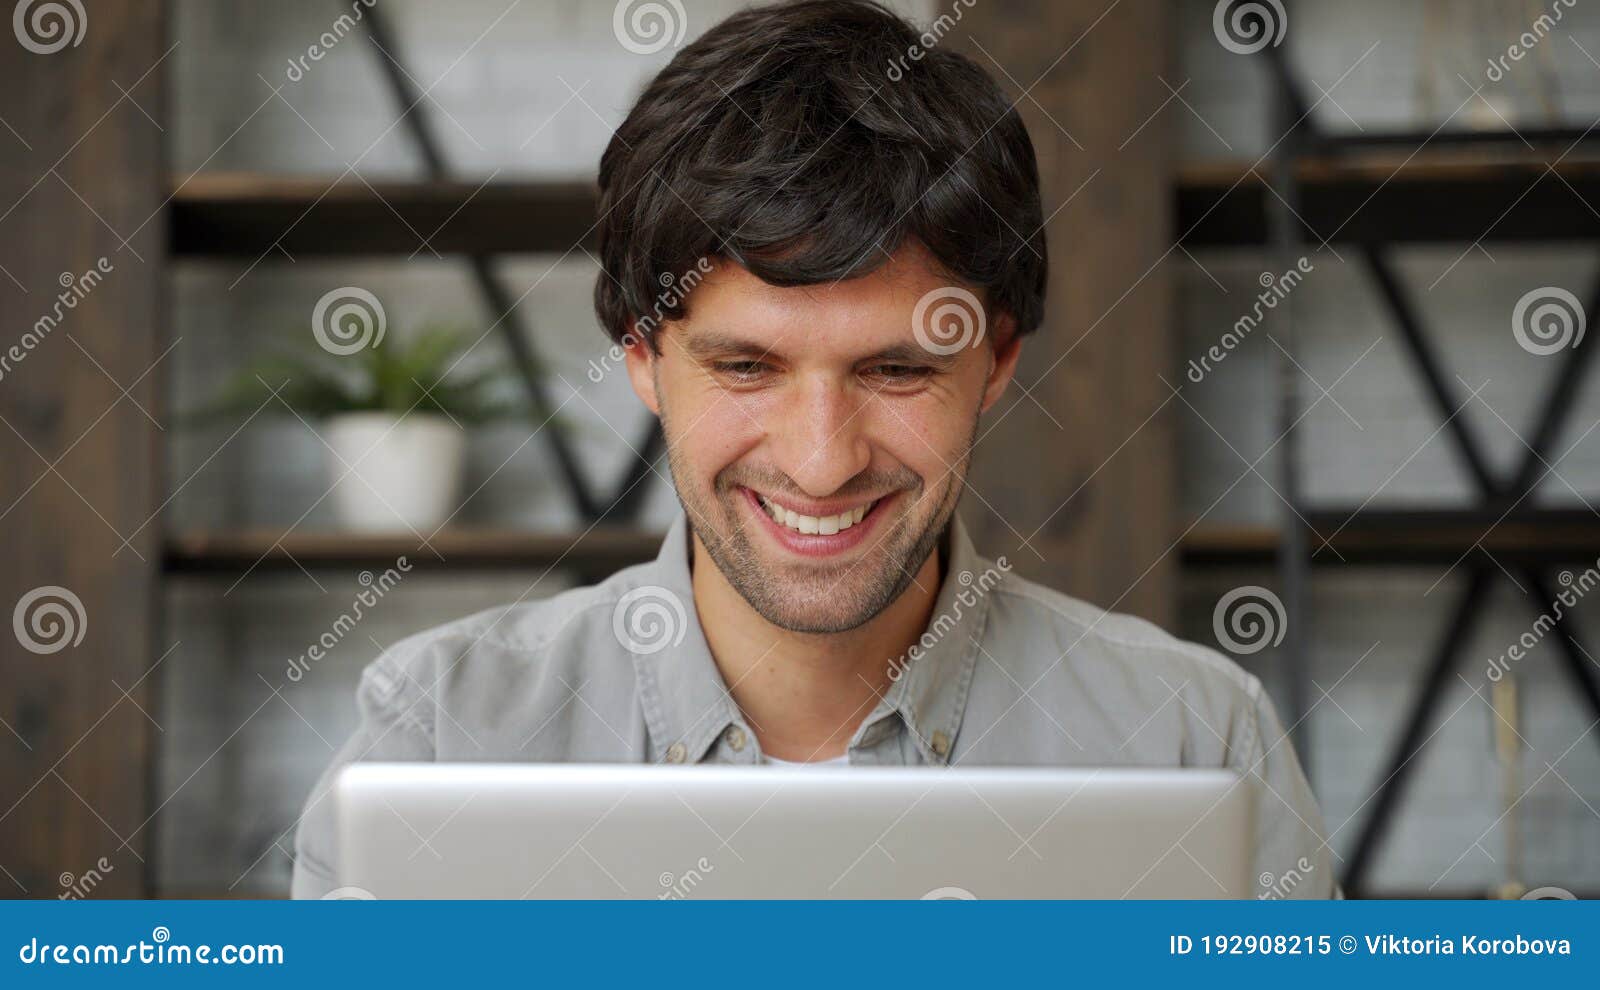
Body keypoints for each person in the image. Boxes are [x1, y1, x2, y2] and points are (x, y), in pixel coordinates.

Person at [292, 0, 1333, 899]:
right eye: (746, 368)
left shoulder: (1195, 743)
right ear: (645, 360)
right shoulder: (437, 735)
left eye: (896, 372)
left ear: (996, 359)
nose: (821, 462)